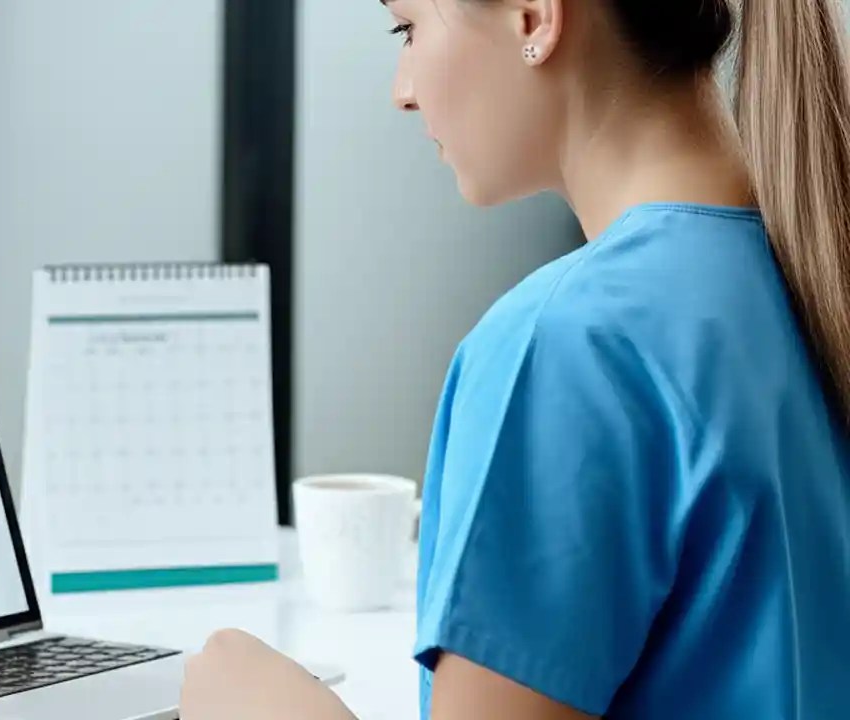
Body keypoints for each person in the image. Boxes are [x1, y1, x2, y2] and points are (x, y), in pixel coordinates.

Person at [178, 0, 850, 718]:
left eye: (407, 29)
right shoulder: (809, 279)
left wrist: (268, 704)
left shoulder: (565, 345)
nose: (401, 90)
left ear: (535, 18)